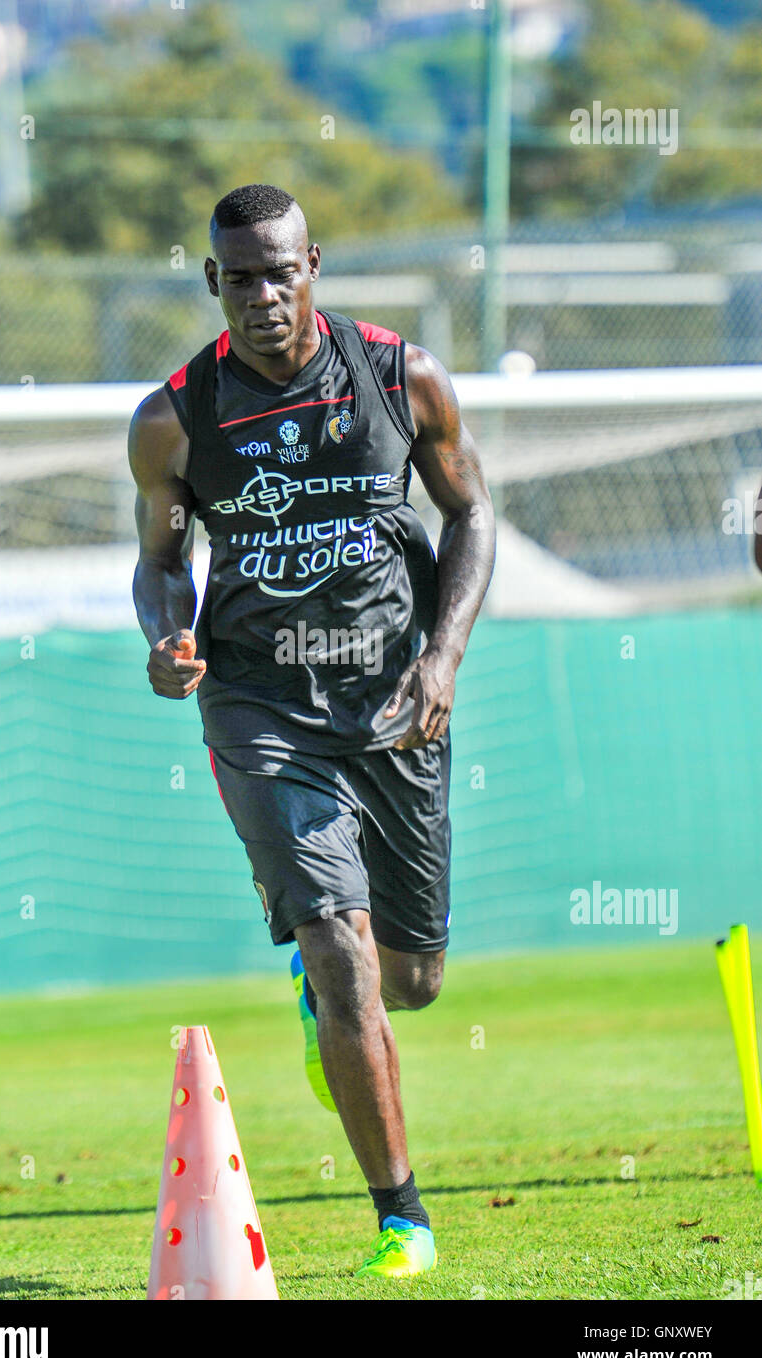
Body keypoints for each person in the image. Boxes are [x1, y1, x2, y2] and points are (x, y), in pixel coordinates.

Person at [128, 183, 495, 1279]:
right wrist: (169, 634)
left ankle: (334, 993)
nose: (262, 295)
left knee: (412, 980)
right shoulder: (176, 416)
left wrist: (441, 658)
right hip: (259, 705)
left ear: (313, 266)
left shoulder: (398, 375)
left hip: (391, 699)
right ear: (213, 283)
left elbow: (471, 512)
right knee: (340, 950)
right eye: (239, 278)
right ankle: (402, 1217)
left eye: (279, 272)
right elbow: (159, 561)